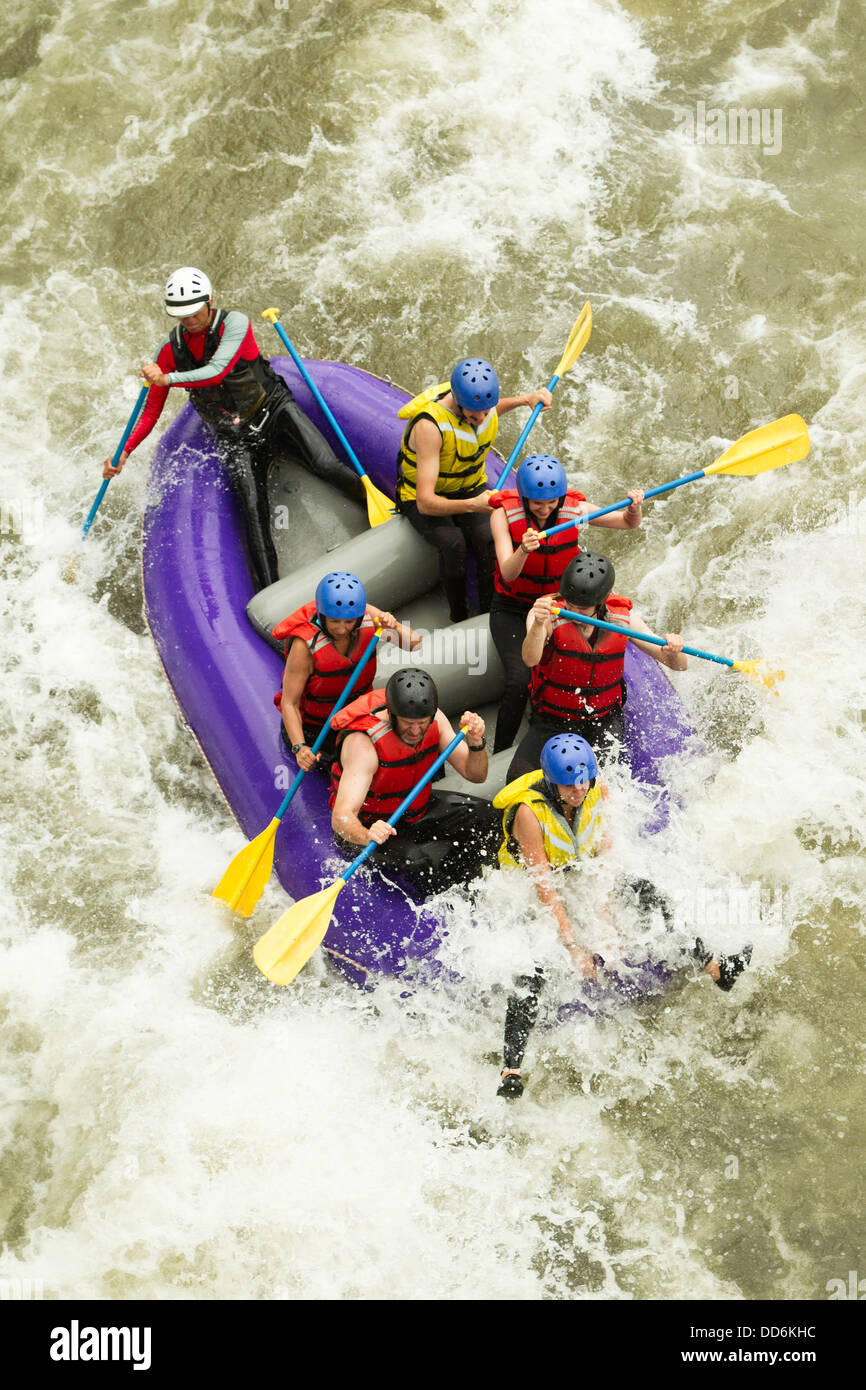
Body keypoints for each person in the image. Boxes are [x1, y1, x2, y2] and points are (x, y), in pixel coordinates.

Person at [493, 733, 752, 1099]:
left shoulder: (599, 790)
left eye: (584, 780)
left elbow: (606, 859)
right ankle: (511, 1069)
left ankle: (716, 968)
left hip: (576, 872)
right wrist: (574, 946)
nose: (579, 790)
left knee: (648, 893)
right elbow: (544, 889)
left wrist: (606, 919)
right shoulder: (528, 815)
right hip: (526, 889)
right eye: (569, 785)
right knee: (533, 963)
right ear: (552, 782)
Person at [101, 267, 363, 589]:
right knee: (254, 512)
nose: (189, 321)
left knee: (325, 464)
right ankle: (270, 591)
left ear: (210, 301)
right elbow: (152, 409)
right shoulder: (169, 351)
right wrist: (125, 450)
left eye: (195, 313)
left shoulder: (235, 324)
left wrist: (168, 378)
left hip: (273, 409)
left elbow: (216, 371)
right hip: (235, 436)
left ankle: (383, 506)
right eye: (181, 315)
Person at [489, 453, 645, 753]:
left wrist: (635, 508)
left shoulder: (574, 510)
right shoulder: (502, 516)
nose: (546, 509)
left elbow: (626, 523)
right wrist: (523, 549)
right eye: (537, 503)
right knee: (519, 680)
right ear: (523, 498)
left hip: (563, 606)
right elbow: (508, 574)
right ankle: (502, 749)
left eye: (552, 502)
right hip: (515, 606)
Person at [394, 358, 553, 623]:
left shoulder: (481, 408)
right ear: (457, 401)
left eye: (485, 412)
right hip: (425, 496)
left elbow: (492, 409)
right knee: (453, 543)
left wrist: (526, 399)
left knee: (489, 537)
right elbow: (425, 502)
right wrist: (474, 505)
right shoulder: (430, 428)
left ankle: (488, 612)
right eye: (473, 414)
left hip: (468, 485)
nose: (481, 419)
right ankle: (458, 614)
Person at [508, 551, 687, 779]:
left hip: (604, 720)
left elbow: (679, 666)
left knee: (607, 784)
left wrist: (674, 650)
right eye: (570, 605)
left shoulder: (623, 619)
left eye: (582, 609)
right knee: (516, 777)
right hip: (555, 720)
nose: (573, 612)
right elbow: (530, 659)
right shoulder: (545, 613)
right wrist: (537, 626)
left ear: (601, 602)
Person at [329, 668, 501, 896]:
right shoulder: (363, 744)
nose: (415, 730)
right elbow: (341, 818)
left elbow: (476, 775)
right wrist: (367, 834)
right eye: (407, 723)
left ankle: (465, 884)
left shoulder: (435, 720)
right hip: (374, 825)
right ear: (391, 713)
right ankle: (438, 904)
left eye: (422, 723)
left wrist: (476, 743)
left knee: (488, 817)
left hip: (415, 813)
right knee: (418, 863)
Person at [272, 571, 422, 772]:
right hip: (317, 729)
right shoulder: (304, 647)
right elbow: (289, 703)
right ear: (322, 615)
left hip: (358, 714)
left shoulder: (367, 617)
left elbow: (414, 645)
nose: (342, 629)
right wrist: (300, 747)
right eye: (334, 621)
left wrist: (393, 627)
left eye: (349, 622)